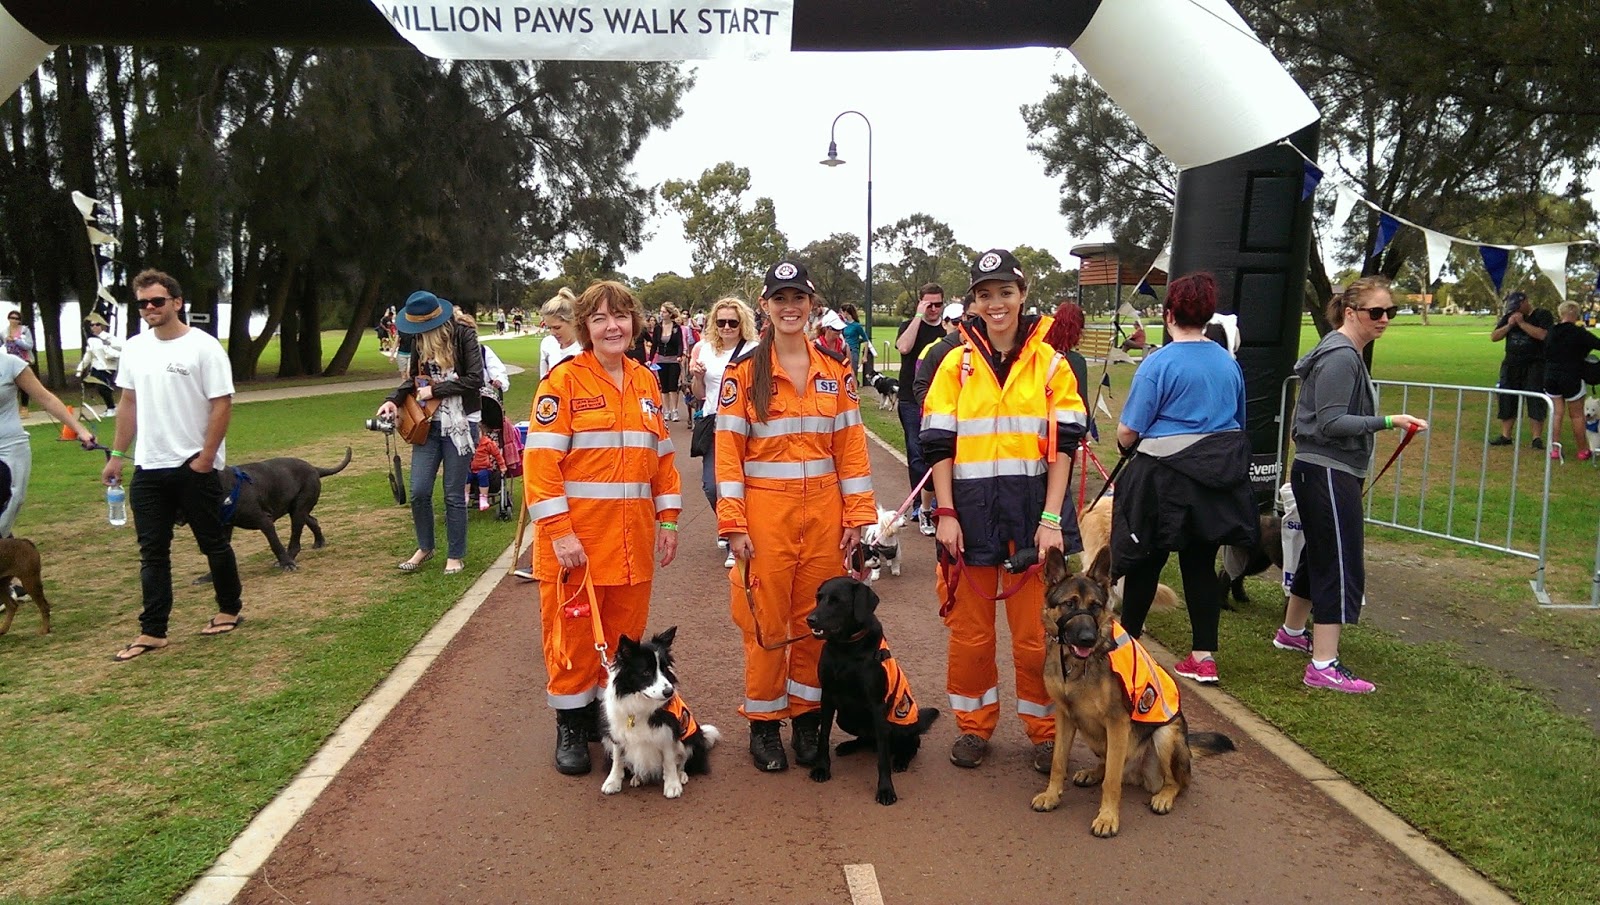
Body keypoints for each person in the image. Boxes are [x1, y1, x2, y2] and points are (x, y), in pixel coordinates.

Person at [921, 249, 1087, 773]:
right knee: (971, 638)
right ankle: (973, 727)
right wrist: (946, 513)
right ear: (973, 300)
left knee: (1037, 639)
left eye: (1005, 292)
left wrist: (1052, 519)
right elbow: (938, 445)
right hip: (968, 520)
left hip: (1032, 521)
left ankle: (1046, 733)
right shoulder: (953, 364)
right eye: (985, 294)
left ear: (1023, 294)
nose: (996, 303)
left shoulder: (1052, 364)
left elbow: (1064, 448)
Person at [717, 260, 876, 773]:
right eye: (780, 299)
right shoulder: (744, 374)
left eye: (798, 298)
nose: (790, 308)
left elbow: (851, 448)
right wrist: (734, 524)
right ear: (764, 306)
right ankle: (764, 724)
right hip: (767, 516)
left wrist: (857, 515)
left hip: (825, 516)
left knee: (818, 620)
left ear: (811, 305)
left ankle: (807, 719)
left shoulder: (835, 369)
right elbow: (728, 454)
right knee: (764, 621)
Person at [524, 280, 681, 775]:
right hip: (579, 545)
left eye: (621, 316)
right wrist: (559, 531)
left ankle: (602, 718)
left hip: (633, 544)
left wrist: (669, 519)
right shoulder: (563, 382)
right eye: (599, 318)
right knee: (572, 643)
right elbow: (540, 465)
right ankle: (571, 725)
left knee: (622, 643)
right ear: (585, 327)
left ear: (634, 323)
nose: (612, 327)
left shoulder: (646, 381)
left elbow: (662, 459)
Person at [1276, 276, 1428, 693]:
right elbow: (1331, 422)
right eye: (1375, 312)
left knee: (1319, 554)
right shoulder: (1341, 356)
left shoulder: (1343, 352)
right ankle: (1323, 665)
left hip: (1322, 470)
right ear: (1350, 312)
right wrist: (1389, 421)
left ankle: (1292, 632)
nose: (1384, 319)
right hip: (1326, 470)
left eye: (1390, 311)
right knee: (1338, 563)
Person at [1109, 272, 1258, 685]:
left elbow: (1128, 430)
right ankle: (1203, 656)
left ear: (1169, 313)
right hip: (1213, 481)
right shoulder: (1228, 363)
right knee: (1200, 565)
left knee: (1145, 562)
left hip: (1163, 480)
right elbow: (1237, 421)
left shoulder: (1159, 362)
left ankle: (1129, 647)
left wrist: (1126, 447)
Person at [100, 269, 242, 662]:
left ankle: (229, 608)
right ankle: (153, 631)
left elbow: (221, 404)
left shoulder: (204, 347)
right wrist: (117, 456)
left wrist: (206, 458)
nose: (150, 308)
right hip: (149, 466)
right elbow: (128, 403)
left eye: (157, 301)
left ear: (177, 303)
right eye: (142, 303)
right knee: (152, 552)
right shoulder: (134, 349)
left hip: (193, 464)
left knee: (212, 542)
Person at [375, 290, 484, 576]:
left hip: (461, 423)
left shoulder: (463, 335)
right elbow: (413, 379)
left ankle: (455, 555)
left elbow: (475, 379)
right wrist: (392, 399)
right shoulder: (418, 339)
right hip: (428, 422)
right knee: (419, 490)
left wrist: (436, 390)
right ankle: (425, 546)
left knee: (453, 493)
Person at [687, 297, 756, 568]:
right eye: (721, 322)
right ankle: (729, 524)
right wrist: (697, 376)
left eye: (732, 322)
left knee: (744, 482)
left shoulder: (754, 350)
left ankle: (735, 537)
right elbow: (699, 394)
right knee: (712, 484)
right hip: (714, 422)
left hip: (745, 424)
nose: (727, 327)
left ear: (742, 324)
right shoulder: (705, 349)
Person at [895, 283, 948, 533]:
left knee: (941, 454)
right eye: (929, 304)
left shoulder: (948, 328)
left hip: (941, 402)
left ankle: (938, 503)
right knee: (917, 454)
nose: (934, 309)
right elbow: (904, 347)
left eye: (938, 304)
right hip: (911, 400)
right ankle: (919, 504)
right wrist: (918, 316)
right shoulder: (909, 326)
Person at [1489, 290, 1552, 449]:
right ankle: (1506, 435)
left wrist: (1522, 324)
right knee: (1507, 398)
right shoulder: (1509, 317)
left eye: (1518, 307)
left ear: (1525, 302)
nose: (1515, 310)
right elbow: (1494, 336)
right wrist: (1509, 325)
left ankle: (1536, 438)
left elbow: (1543, 335)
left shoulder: (1542, 315)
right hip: (1511, 365)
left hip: (1535, 365)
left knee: (1535, 399)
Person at [1542, 300, 1600, 461]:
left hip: (1551, 375)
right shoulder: (1579, 333)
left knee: (1556, 414)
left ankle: (1554, 449)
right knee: (1576, 415)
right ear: (1575, 314)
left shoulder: (1551, 331)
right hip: (1572, 376)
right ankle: (1582, 450)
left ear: (1561, 314)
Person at [77, 313, 123, 414]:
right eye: (92, 325)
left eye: (97, 324)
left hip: (108, 367)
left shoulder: (110, 338)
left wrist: (109, 351)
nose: (94, 327)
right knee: (100, 388)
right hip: (96, 367)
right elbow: (88, 355)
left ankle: (111, 408)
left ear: (102, 326)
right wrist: (80, 368)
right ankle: (110, 407)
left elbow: (120, 350)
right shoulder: (91, 340)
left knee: (104, 387)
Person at [652, 303, 689, 423]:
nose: (661, 314)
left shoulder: (676, 327)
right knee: (664, 387)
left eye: (664, 312)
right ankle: (666, 410)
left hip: (673, 360)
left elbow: (680, 344)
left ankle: (674, 410)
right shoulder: (658, 327)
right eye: (661, 311)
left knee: (673, 386)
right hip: (661, 360)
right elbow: (654, 345)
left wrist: (679, 356)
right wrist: (650, 359)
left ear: (669, 314)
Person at [538, 288, 582, 380]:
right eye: (549, 327)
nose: (552, 333)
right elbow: (543, 380)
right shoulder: (547, 343)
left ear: (573, 321)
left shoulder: (586, 348)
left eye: (557, 327)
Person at [5, 310, 35, 416]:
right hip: (9, 362)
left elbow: (29, 345)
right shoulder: (4, 332)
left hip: (23, 361)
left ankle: (24, 408)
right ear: (8, 319)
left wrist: (16, 341)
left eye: (16, 318)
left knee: (24, 385)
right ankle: (14, 409)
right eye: (12, 318)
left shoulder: (24, 331)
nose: (14, 320)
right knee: (11, 386)